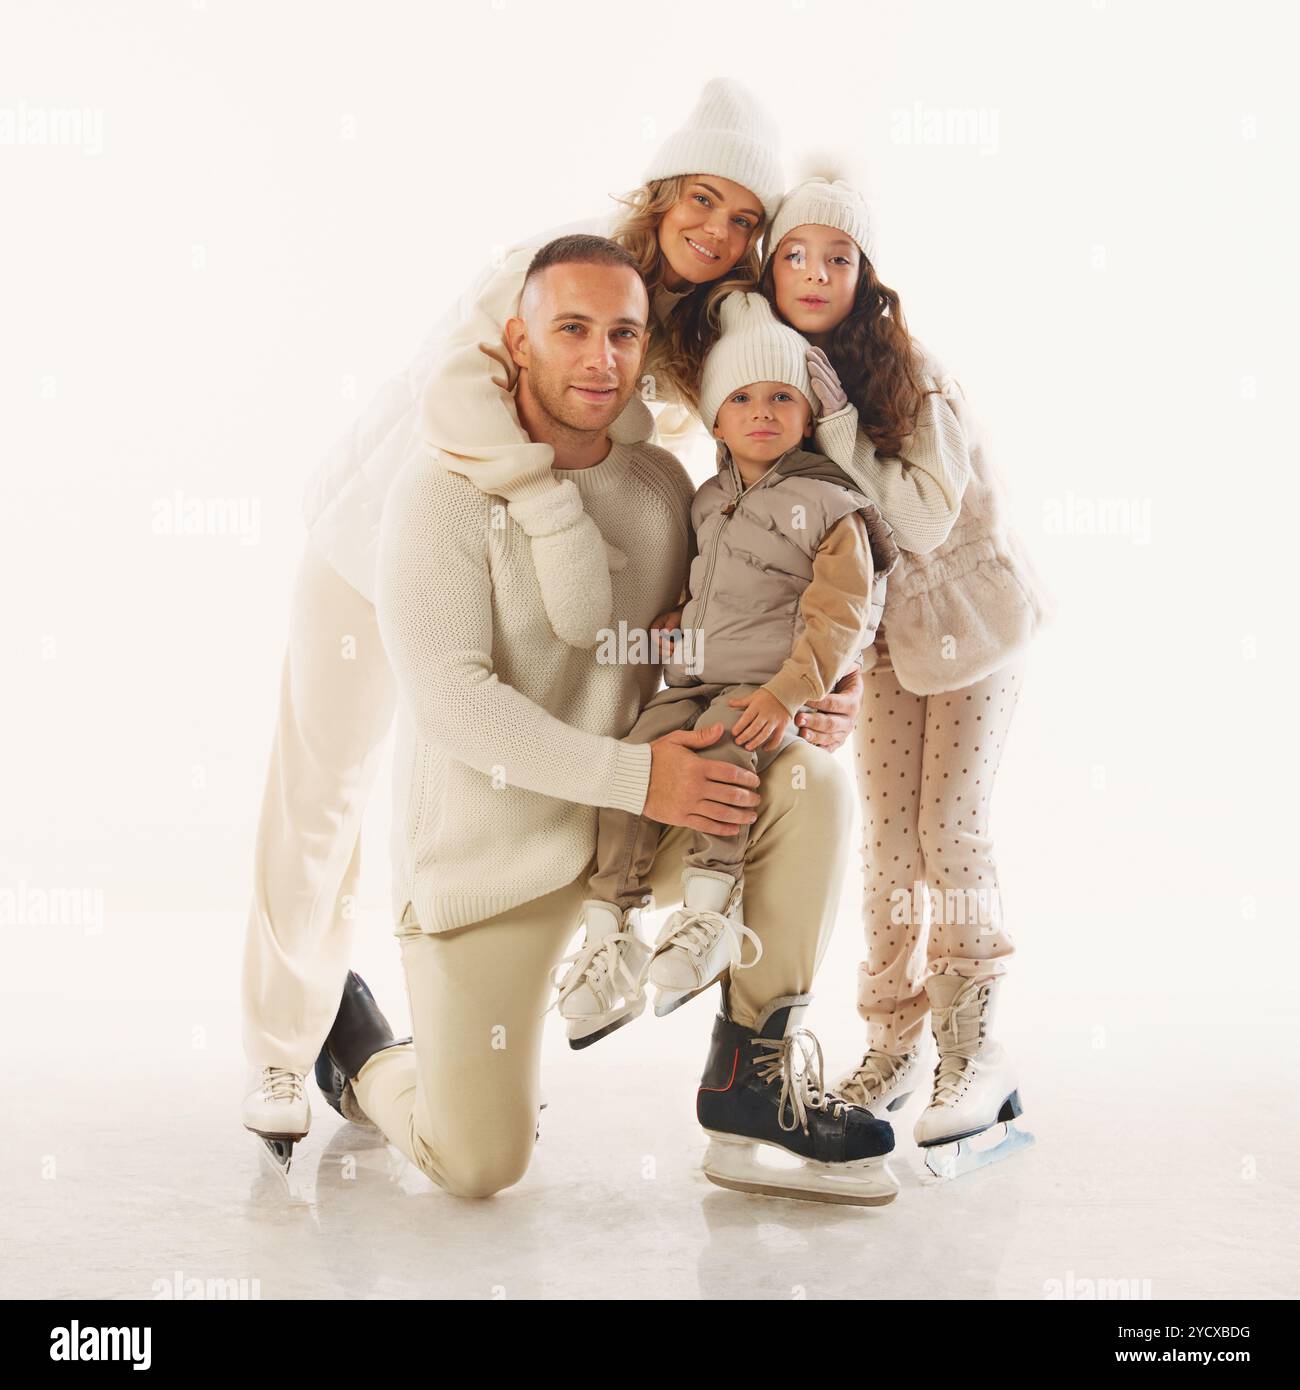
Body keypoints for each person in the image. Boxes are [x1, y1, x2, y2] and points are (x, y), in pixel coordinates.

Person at [239, 78, 870, 1173]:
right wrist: (548, 516)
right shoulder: (561, 268)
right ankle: (288, 1046)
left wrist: (811, 662)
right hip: (381, 546)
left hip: (526, 589)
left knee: (747, 774)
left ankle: (743, 1074)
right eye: (702, 200)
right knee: (321, 798)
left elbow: (729, 523)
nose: (716, 231)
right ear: (665, 188)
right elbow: (457, 398)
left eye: (741, 220)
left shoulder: (689, 331)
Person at [757, 167, 1051, 1176]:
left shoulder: (906, 374)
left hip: (971, 625)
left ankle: (975, 1044)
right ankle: (892, 1038)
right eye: (795, 253)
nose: (814, 272)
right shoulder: (789, 374)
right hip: (888, 642)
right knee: (887, 840)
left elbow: (918, 525)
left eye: (836, 256)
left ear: (864, 273)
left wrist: (838, 423)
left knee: (946, 828)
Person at [552, 291, 899, 1063]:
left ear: (808, 416)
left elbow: (843, 613)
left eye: (783, 397)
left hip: (763, 685)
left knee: (719, 752)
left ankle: (709, 915)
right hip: (694, 681)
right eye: (742, 399)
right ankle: (611, 929)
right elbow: (709, 586)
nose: (764, 412)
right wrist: (677, 622)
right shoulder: (707, 501)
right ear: (714, 420)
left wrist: (790, 691)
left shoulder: (830, 502)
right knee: (638, 763)